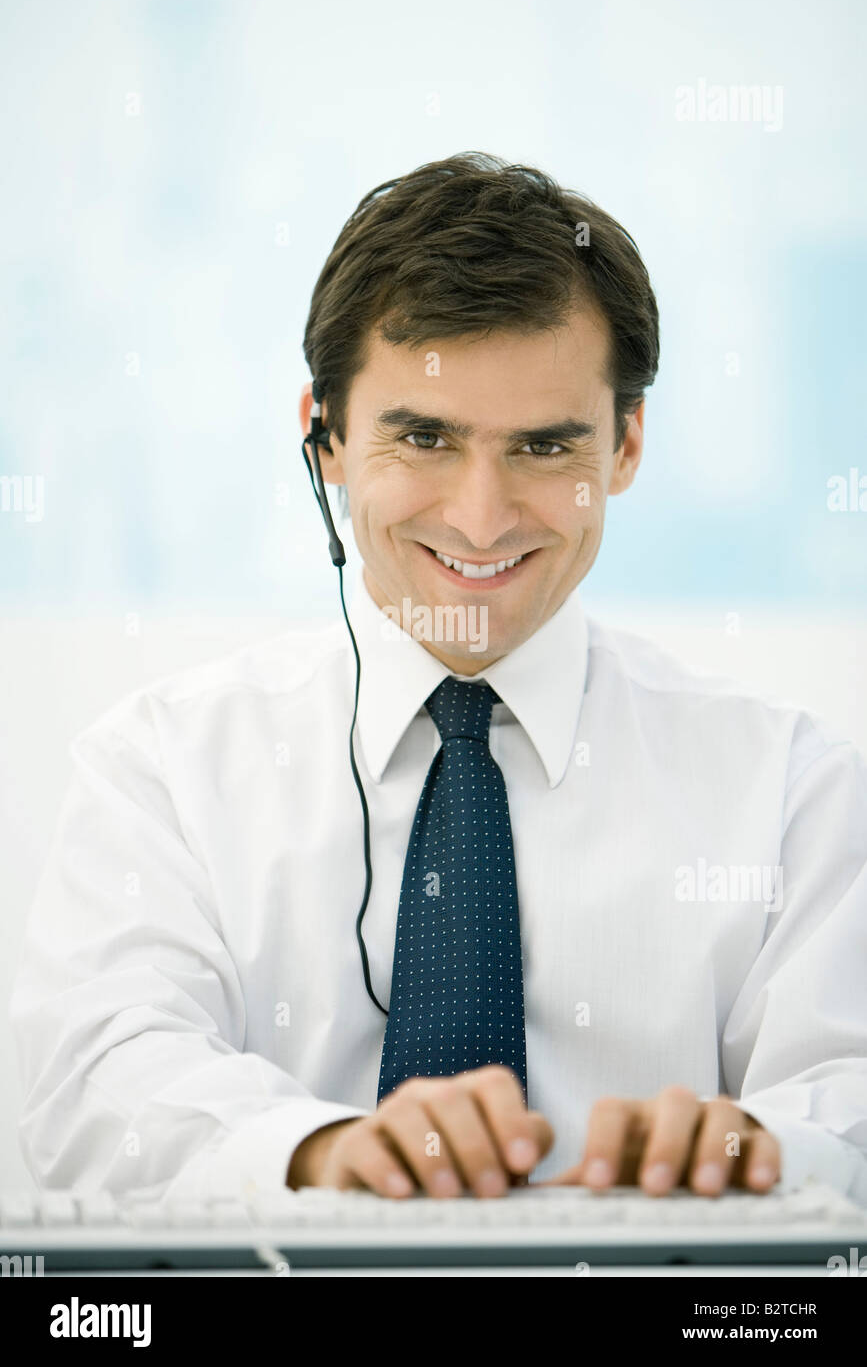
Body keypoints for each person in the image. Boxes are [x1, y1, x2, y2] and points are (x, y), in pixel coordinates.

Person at [11, 153, 867, 1207]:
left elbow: (852, 1098)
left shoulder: (790, 789)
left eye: (546, 447)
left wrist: (754, 1145)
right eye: (423, 437)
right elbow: (91, 1089)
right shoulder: (165, 770)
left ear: (627, 445)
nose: (480, 516)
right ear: (321, 435)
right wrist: (323, 1153)